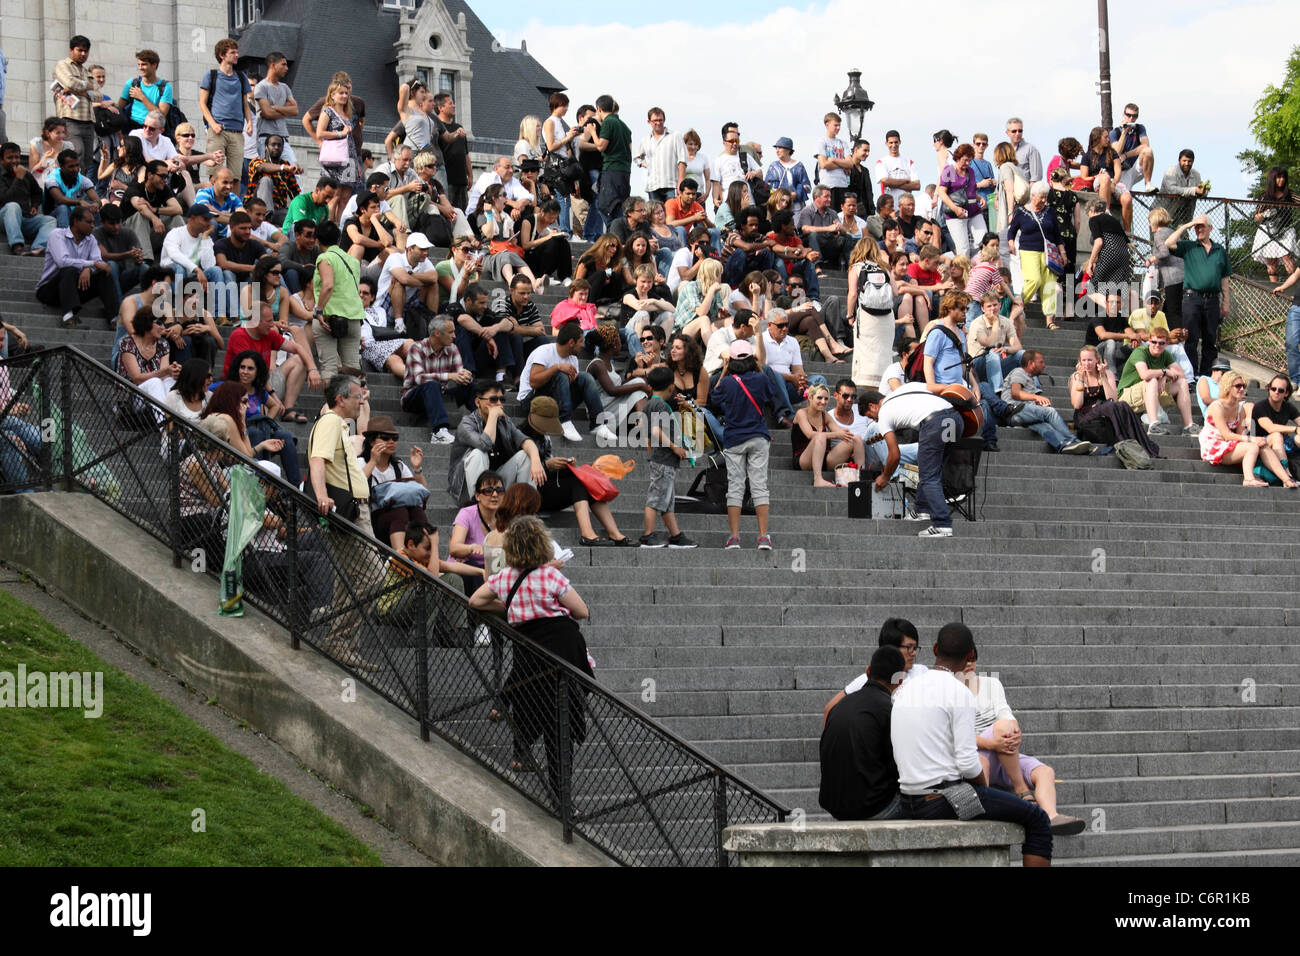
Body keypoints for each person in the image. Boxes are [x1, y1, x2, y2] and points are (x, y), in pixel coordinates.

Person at [891, 622, 1053, 865]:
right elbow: (968, 764)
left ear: (935, 649)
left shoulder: (904, 689)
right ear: (969, 655)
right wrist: (982, 788)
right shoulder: (959, 692)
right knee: (1038, 819)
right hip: (942, 799)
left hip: (906, 798)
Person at [470, 514, 594, 784]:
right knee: (561, 725)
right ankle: (562, 795)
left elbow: (475, 601)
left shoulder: (504, 578)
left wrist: (507, 607)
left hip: (530, 656)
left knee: (540, 711)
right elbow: (581, 611)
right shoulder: (550, 575)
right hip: (565, 652)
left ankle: (523, 750)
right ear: (542, 544)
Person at [859, 379, 964, 538]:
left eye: (871, 416)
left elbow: (894, 455)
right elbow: (943, 388)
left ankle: (942, 524)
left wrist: (885, 477)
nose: (875, 420)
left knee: (928, 476)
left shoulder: (884, 413)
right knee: (933, 470)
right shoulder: (906, 388)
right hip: (955, 418)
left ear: (872, 406)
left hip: (933, 424)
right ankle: (921, 510)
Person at [818, 645, 907, 821]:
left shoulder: (838, 706)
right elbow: (899, 767)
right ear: (900, 681)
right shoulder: (889, 710)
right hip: (873, 807)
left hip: (834, 805)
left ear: (868, 672)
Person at [712, 340, 774, 550]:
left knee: (735, 488)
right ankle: (764, 537)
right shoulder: (761, 378)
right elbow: (769, 396)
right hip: (758, 436)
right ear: (751, 358)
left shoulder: (729, 382)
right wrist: (757, 365)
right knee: (759, 487)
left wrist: (725, 370)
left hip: (734, 439)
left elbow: (715, 395)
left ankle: (734, 537)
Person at [636, 365, 697, 548]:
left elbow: (645, 429)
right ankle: (647, 535)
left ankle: (676, 536)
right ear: (671, 387)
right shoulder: (661, 405)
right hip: (664, 459)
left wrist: (651, 451)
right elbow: (656, 430)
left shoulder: (649, 404)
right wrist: (675, 447)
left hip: (660, 459)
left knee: (666, 501)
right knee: (656, 499)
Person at [1200, 371, 1295, 487]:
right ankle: (1249, 479)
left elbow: (1240, 434)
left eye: (1243, 386)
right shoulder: (1217, 407)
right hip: (1215, 446)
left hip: (1230, 444)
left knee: (1262, 444)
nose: (1242, 389)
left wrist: (1255, 438)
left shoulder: (1240, 408)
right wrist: (1252, 439)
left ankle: (1287, 479)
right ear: (1228, 387)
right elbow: (1226, 435)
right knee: (1253, 446)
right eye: (1238, 386)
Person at [1165, 215, 1233, 376]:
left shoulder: (1219, 250)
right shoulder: (1189, 246)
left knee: (1210, 339)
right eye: (1196, 227)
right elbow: (1169, 243)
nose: (1199, 229)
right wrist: (1186, 225)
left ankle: (1207, 375)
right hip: (1192, 298)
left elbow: (1225, 279)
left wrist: (1226, 303)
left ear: (1210, 228)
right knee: (1190, 338)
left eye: (1202, 226)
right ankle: (1191, 374)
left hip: (1212, 300)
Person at [519, 320, 606, 442]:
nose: (583, 345)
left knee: (585, 377)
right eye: (580, 341)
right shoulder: (544, 352)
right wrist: (556, 367)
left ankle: (598, 424)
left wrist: (572, 380)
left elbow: (565, 388)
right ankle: (565, 421)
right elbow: (533, 382)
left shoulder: (573, 359)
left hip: (555, 401)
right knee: (560, 373)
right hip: (530, 401)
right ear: (571, 342)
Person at [35, 205, 118, 328]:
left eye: (93, 222)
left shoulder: (91, 240)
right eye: (88, 222)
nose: (92, 225)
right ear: (75, 221)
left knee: (103, 275)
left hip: (75, 287)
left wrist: (88, 268)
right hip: (49, 290)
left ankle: (114, 319)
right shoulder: (57, 235)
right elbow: (63, 262)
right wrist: (90, 264)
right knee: (69, 270)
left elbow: (100, 264)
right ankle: (68, 317)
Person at [1001, 351, 1097, 454]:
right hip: (1014, 410)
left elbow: (1024, 398)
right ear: (1031, 363)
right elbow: (1015, 393)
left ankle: (1063, 445)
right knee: (1050, 412)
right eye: (1041, 362)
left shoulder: (1030, 379)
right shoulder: (1019, 371)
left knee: (1044, 426)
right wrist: (1036, 397)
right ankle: (1074, 440)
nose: (1044, 365)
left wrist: (1037, 404)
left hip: (1021, 415)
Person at [1071, 345, 1159, 455]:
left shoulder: (1108, 374)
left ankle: (1137, 441)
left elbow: (1112, 399)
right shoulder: (1076, 377)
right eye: (1083, 360)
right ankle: (1123, 439)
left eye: (1090, 360)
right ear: (1079, 362)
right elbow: (1077, 405)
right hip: (1085, 416)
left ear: (1097, 360)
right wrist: (1080, 379)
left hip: (1105, 414)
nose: (1087, 363)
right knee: (1110, 406)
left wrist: (1103, 377)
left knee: (1122, 405)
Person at [402, 316, 473, 445]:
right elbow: (419, 378)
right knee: (431, 385)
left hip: (439, 393)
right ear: (437, 333)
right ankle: (439, 432)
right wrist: (450, 376)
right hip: (413, 397)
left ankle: (482, 421)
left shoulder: (453, 348)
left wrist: (465, 376)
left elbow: (459, 374)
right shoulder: (416, 348)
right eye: (450, 332)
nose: (454, 336)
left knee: (470, 385)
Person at [1117, 327, 1199, 437]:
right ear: (1149, 341)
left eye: (1161, 343)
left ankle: (1189, 426)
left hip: (1149, 394)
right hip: (1126, 397)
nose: (1157, 345)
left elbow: (1181, 375)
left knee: (1182, 383)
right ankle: (1153, 425)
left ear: (1167, 344)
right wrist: (1164, 371)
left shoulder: (1165, 354)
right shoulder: (1140, 352)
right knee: (1152, 380)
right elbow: (1145, 374)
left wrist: (1165, 377)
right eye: (1154, 342)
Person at [1007, 182, 1065, 327]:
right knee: (1034, 280)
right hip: (1028, 250)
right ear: (1033, 196)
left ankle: (1050, 321)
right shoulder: (1021, 211)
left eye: (1046, 197)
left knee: (1049, 285)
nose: (1044, 200)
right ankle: (1019, 304)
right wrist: (1011, 243)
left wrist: (1062, 252)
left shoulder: (1050, 211)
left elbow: (1057, 235)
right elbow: (1011, 230)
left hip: (1048, 253)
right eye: (1041, 197)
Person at [198, 38, 253, 186]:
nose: (236, 55)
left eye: (237, 52)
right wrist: (213, 124)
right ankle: (214, 206)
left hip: (237, 131)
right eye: (232, 52)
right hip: (218, 130)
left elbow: (245, 105)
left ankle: (232, 208)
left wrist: (249, 123)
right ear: (222, 55)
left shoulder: (241, 77)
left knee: (235, 177)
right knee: (215, 174)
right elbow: (202, 104)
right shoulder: (211, 75)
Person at [583, 325, 650, 444]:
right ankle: (641, 421)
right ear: (613, 346)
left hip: (611, 404)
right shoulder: (598, 365)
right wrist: (640, 385)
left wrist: (634, 376)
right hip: (602, 411)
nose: (621, 345)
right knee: (639, 384)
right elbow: (612, 390)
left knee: (639, 381)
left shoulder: (607, 362)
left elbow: (618, 385)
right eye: (620, 342)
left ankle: (641, 422)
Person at [114, 307, 175, 423]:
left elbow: (164, 375)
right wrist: (166, 371)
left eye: (163, 323)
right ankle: (167, 427)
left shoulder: (163, 344)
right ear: (146, 322)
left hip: (155, 397)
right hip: (131, 398)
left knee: (171, 382)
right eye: (159, 323)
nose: (163, 327)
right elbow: (136, 378)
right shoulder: (127, 343)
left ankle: (176, 429)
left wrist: (173, 372)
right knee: (155, 382)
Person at [1, 141, 55, 256]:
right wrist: (18, 178)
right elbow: (6, 199)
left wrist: (35, 205)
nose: (15, 161)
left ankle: (38, 248)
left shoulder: (25, 174)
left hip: (25, 218)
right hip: (4, 218)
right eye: (10, 158)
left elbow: (37, 192)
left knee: (50, 220)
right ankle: (17, 245)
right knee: (12, 206)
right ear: (1, 160)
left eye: (17, 157)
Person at [937, 144, 987, 258]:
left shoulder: (971, 171)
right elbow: (941, 192)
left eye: (970, 160)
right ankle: (965, 273)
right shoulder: (949, 170)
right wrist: (955, 208)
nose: (967, 163)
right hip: (956, 213)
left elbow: (970, 191)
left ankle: (978, 267)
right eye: (965, 160)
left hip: (973, 210)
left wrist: (980, 198)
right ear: (958, 158)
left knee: (983, 240)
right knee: (963, 248)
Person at [1252, 166, 1297, 284]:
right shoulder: (1265, 196)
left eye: (1283, 177)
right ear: (1273, 178)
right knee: (1271, 262)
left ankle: (1294, 287)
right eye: (1278, 177)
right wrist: (1265, 214)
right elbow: (1256, 216)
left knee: (1287, 258)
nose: (1281, 180)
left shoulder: (1289, 194)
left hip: (1285, 230)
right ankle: (1274, 290)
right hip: (1268, 231)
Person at [1252, 376, 1300, 478]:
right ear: (1269, 389)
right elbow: (1270, 428)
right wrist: (1295, 429)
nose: (1276, 392)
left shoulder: (1288, 407)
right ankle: (1286, 472)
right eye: (1273, 389)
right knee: (1276, 435)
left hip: (1282, 444)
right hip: (1263, 444)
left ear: (1286, 393)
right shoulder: (1260, 406)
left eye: (1281, 390)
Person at [1148, 206, 1185, 330]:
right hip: (1182, 275)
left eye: (1149, 221)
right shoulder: (1171, 231)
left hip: (1172, 277)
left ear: (1155, 220)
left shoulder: (1159, 234)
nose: (1149, 224)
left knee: (1173, 312)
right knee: (1168, 309)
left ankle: (1177, 340)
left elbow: (1164, 253)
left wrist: (1152, 259)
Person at [1110, 102, 1155, 192]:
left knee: (1148, 151)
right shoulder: (1114, 132)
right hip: (1120, 171)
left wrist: (1126, 155)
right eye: (1128, 115)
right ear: (1124, 115)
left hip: (1134, 167)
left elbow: (1145, 145)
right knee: (1123, 196)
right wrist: (1124, 132)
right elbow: (1117, 152)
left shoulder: (1140, 129)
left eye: (1134, 116)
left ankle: (1148, 184)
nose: (1131, 118)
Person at [1158, 148, 1205, 230]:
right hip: (1162, 213)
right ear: (1179, 160)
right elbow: (1172, 190)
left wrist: (1203, 192)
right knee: (1161, 239)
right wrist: (1194, 190)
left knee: (1182, 239)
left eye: (1189, 161)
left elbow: (1200, 191)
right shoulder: (1171, 172)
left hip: (1182, 216)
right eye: (1184, 160)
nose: (1187, 163)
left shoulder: (1196, 174)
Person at [874, 130, 919, 206]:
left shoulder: (909, 162)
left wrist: (892, 184)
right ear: (886, 143)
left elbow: (917, 185)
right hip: (889, 207)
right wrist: (905, 181)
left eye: (896, 142)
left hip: (906, 207)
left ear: (900, 142)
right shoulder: (881, 162)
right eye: (891, 143)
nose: (894, 145)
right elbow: (885, 181)